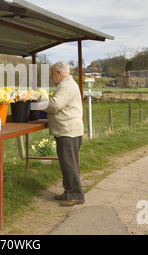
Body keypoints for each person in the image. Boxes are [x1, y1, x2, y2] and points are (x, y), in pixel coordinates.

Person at [44, 61, 85, 207]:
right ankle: (69, 191)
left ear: (58, 73)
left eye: (52, 75)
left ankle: (76, 195)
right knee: (67, 163)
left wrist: (38, 103)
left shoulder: (66, 86)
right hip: (68, 130)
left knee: (69, 164)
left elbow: (55, 105)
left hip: (68, 131)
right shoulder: (67, 84)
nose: (52, 78)